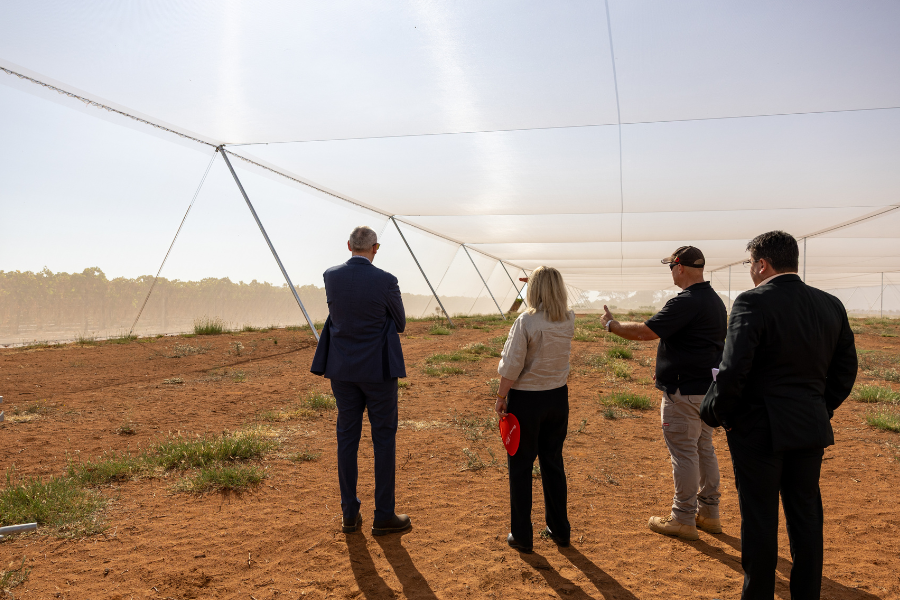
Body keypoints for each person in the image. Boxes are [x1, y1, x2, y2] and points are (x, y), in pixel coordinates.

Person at [701, 231, 857, 600]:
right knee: (806, 518)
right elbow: (845, 369)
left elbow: (733, 370)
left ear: (762, 264)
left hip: (759, 430)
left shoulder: (751, 301)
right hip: (809, 426)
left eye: (749, 263)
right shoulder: (830, 304)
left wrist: (722, 414)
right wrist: (821, 407)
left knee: (760, 520)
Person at [601, 246, 726, 541]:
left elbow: (645, 332)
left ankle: (683, 518)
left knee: (684, 453)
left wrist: (611, 325)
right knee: (703, 448)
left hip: (683, 394)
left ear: (679, 267)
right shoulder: (714, 300)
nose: (671, 272)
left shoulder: (686, 302)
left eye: (671, 267)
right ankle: (709, 514)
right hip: (706, 391)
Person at [310, 225, 411, 536]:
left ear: (348, 245)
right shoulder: (386, 280)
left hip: (342, 370)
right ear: (375, 248)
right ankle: (384, 515)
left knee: (347, 439)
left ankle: (349, 514)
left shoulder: (331, 276)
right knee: (384, 440)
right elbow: (400, 323)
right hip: (378, 371)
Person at [495, 266, 575, 553]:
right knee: (552, 463)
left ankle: (522, 535)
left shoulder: (525, 321)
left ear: (534, 290)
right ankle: (560, 530)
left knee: (520, 467)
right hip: (557, 398)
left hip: (527, 400)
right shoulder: (568, 318)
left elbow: (512, 364)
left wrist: (501, 396)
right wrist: (542, 282)